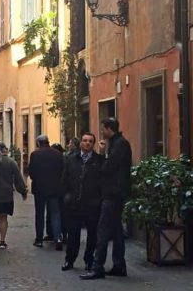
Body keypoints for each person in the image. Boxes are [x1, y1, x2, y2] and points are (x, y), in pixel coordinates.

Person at [81, 117, 133, 280]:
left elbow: (108, 168)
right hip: (115, 192)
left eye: (103, 129)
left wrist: (102, 155)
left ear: (109, 129)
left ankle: (97, 267)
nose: (101, 132)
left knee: (102, 230)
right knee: (117, 231)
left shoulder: (120, 145)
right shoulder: (118, 143)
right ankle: (119, 265)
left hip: (113, 193)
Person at [61, 132, 102, 272]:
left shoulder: (99, 160)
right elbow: (64, 179)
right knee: (73, 234)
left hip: (92, 204)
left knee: (92, 235)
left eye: (90, 141)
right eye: (85, 140)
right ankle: (69, 260)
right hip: (74, 203)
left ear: (93, 144)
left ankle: (89, 260)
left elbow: (102, 182)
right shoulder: (71, 159)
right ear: (81, 143)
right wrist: (67, 196)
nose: (87, 143)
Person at [28, 134, 64, 250]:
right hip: (55, 188)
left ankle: (39, 240)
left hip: (40, 188)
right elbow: (62, 170)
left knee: (39, 214)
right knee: (55, 213)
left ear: (38, 143)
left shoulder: (35, 154)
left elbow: (32, 173)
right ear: (48, 142)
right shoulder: (57, 154)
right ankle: (58, 237)